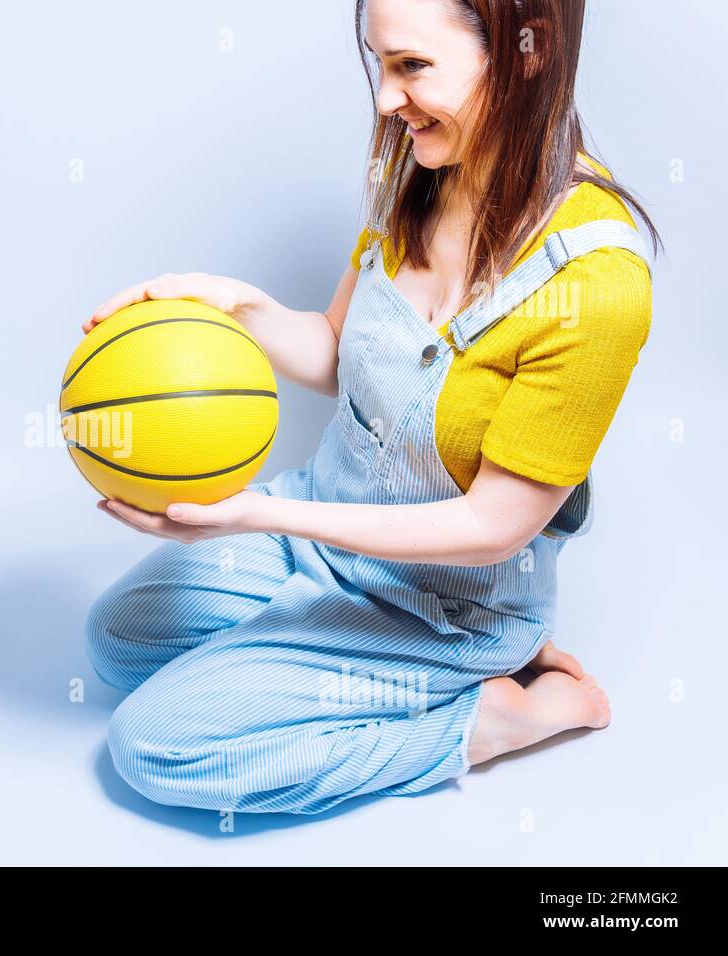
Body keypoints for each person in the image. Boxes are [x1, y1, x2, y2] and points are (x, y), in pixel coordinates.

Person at [84, 0, 659, 814]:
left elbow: (494, 526)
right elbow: (338, 352)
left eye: (413, 66)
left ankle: (488, 717)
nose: (387, 100)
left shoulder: (597, 285)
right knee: (115, 641)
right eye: (379, 62)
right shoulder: (418, 171)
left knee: (153, 749)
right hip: (325, 526)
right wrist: (230, 307)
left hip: (441, 606)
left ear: (529, 52)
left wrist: (255, 517)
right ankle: (299, 655)